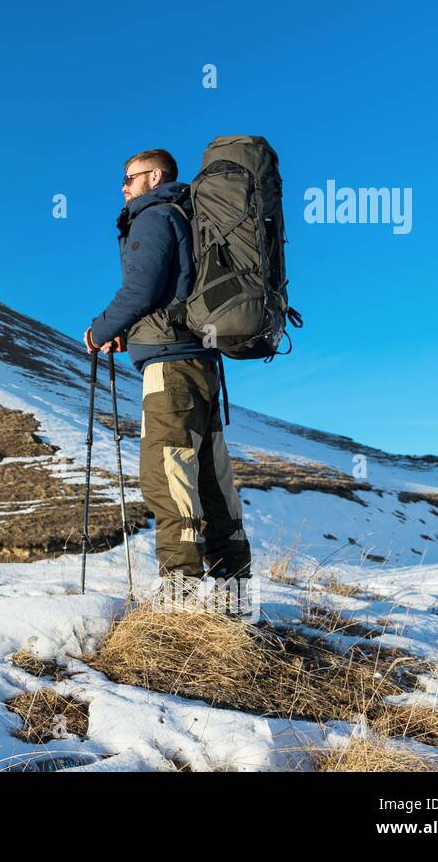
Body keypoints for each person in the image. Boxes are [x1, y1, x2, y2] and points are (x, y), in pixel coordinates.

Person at [84, 149, 251, 591]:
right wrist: (134, 332)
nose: (123, 187)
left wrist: (101, 330)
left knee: (168, 475)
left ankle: (183, 602)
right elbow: (169, 293)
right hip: (201, 363)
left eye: (129, 178)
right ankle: (236, 597)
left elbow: (141, 289)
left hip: (170, 369)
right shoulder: (187, 216)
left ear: (154, 176)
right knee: (213, 482)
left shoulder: (154, 216)